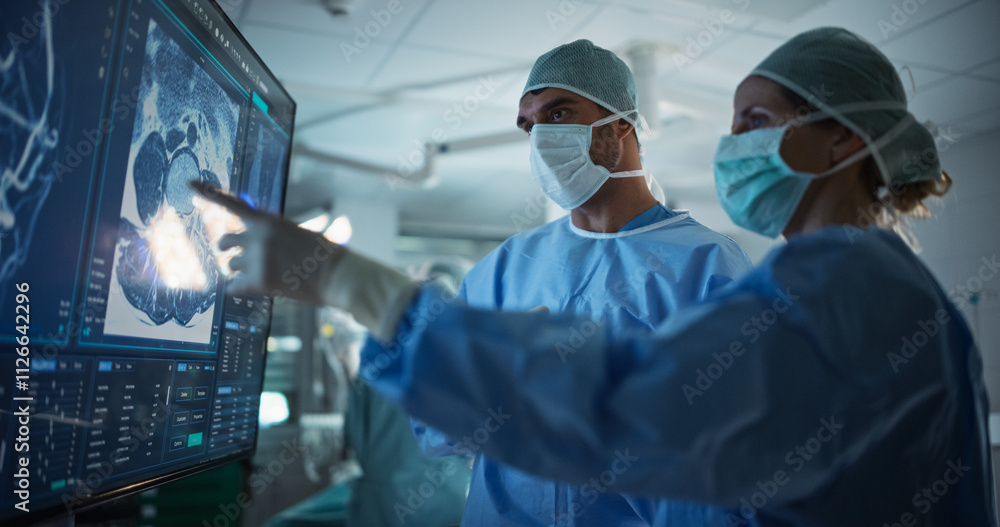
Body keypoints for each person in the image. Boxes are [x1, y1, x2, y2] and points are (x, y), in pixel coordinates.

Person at [194, 27, 997, 526]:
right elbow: (450, 425)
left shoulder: (828, 287)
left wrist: (355, 285)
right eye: (526, 124)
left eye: (756, 122)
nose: (736, 147)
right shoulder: (858, 282)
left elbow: (640, 409)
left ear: (842, 140)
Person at [403, 38, 753, 527]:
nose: (541, 137)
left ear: (621, 122)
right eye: (530, 125)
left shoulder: (708, 265)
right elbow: (433, 427)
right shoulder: (501, 270)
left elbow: (745, 444)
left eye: (559, 114)